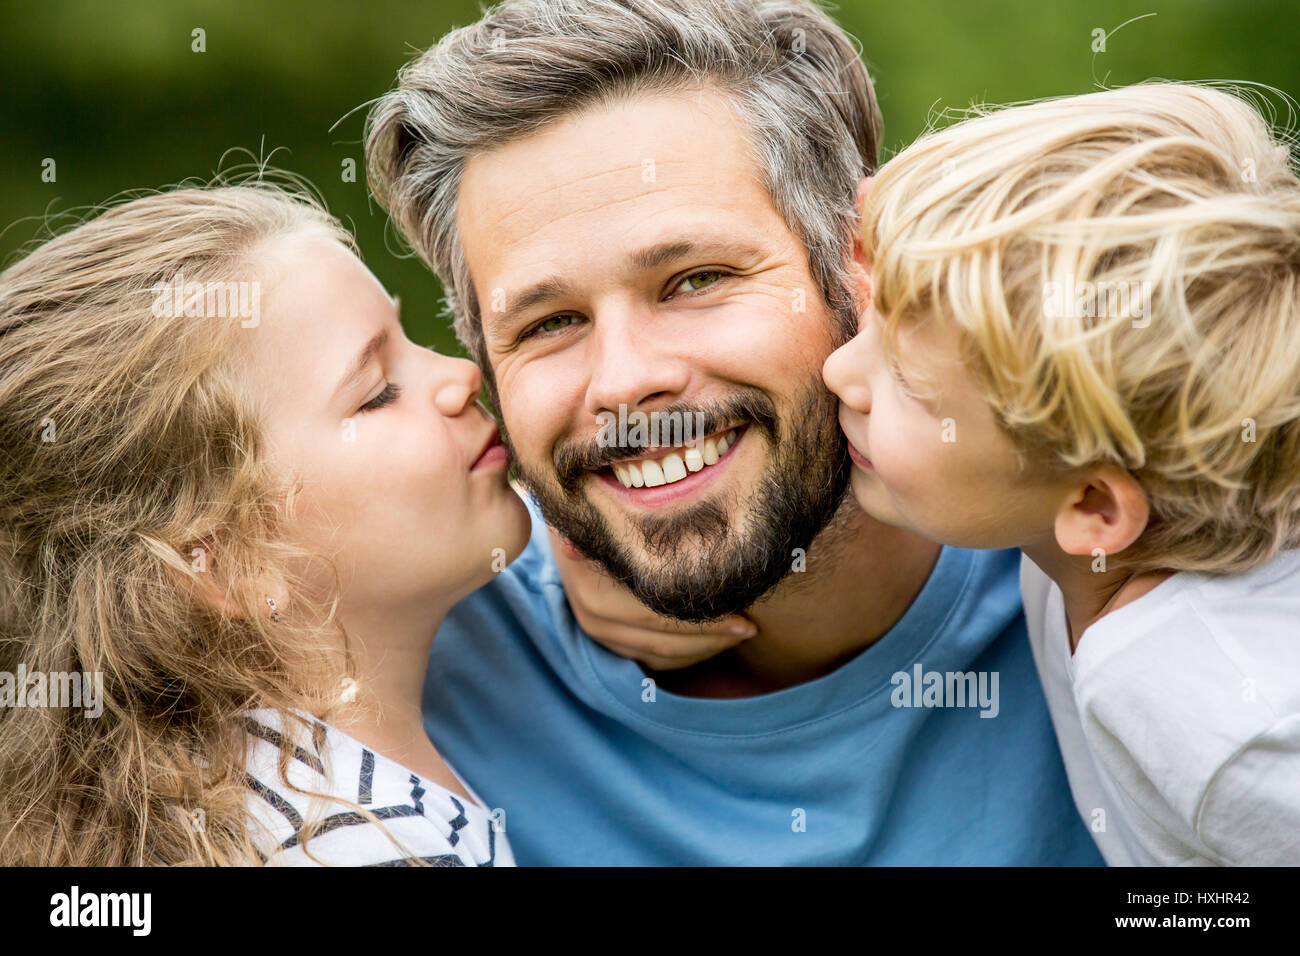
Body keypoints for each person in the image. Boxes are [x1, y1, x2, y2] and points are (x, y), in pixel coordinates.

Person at [367, 0, 1103, 864]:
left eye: (695, 279)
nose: (625, 380)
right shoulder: (415, 657)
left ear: (858, 264)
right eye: (549, 324)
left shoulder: (1099, 544)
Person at [822, 82, 1300, 865]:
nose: (841, 370)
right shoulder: (1074, 539)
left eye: (908, 383)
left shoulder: (1216, 708)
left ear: (1095, 508)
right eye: (874, 319)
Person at [0, 179, 528, 865]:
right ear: (221, 564)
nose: (460, 373)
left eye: (407, 338)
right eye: (378, 393)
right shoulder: (362, 848)